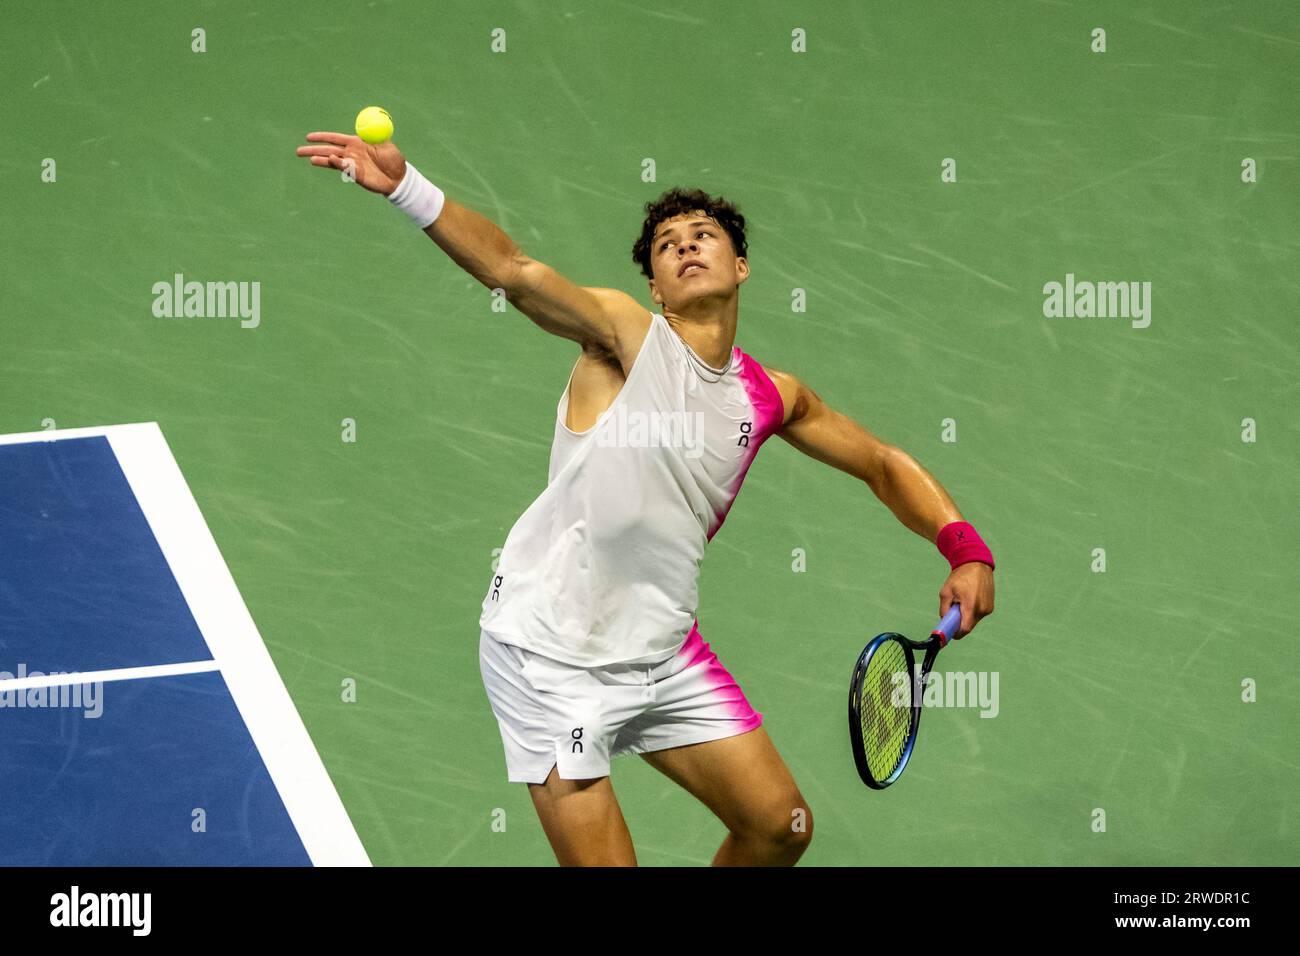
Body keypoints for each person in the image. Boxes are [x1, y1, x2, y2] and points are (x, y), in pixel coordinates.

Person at [295, 132, 996, 866]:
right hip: (548, 657)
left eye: (705, 236)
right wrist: (410, 189)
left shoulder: (770, 397)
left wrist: (964, 548)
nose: (688, 246)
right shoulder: (627, 339)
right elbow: (515, 270)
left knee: (779, 826)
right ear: (656, 288)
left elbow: (881, 462)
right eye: (668, 244)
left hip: (661, 653)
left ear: (742, 266)